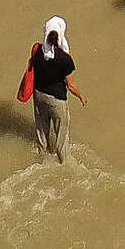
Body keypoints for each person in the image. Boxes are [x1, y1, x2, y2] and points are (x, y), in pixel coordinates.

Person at [30, 17, 85, 163]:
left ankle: (42, 157)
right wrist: (81, 97)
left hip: (38, 95)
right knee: (61, 136)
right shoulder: (65, 59)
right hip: (57, 100)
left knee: (41, 130)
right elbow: (70, 85)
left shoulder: (36, 50)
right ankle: (65, 163)